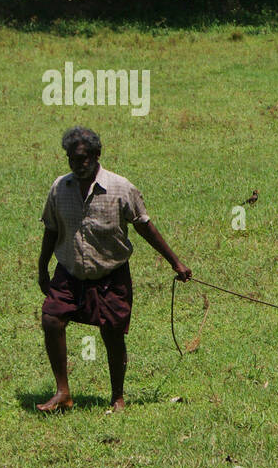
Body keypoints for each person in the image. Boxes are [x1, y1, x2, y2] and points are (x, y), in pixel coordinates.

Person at [36, 126, 190, 412]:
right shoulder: (60, 188)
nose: (76, 165)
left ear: (96, 155)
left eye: (82, 158)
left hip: (110, 274)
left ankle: (117, 396)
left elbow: (144, 226)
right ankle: (63, 393)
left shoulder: (121, 188)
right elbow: (50, 229)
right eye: (71, 159)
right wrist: (43, 267)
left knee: (113, 333)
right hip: (69, 271)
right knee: (51, 319)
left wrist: (175, 262)